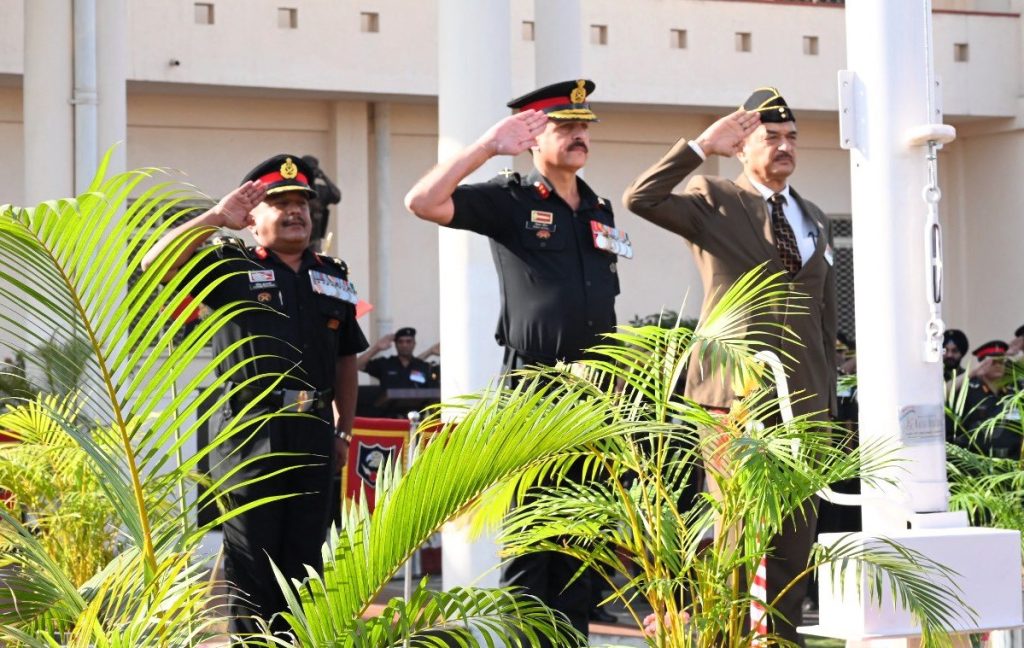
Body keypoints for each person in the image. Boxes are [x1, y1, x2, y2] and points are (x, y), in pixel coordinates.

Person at [405, 79, 626, 643]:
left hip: (595, 395)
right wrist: (485, 147)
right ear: (532, 138)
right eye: (564, 127)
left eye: (584, 127)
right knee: (532, 545)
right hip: (534, 389)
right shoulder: (512, 199)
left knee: (582, 544)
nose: (579, 135)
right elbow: (423, 202)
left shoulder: (598, 207)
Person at [623, 87, 836, 646]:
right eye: (772, 137)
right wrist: (700, 147)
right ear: (744, 147)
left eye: (792, 138)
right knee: (738, 529)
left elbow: (824, 315)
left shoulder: (813, 216)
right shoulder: (714, 197)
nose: (785, 147)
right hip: (735, 396)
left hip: (805, 400)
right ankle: (728, 637)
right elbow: (641, 198)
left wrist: (829, 403)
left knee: (794, 535)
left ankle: (781, 639)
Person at [141, 154, 367, 641]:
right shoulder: (229, 265)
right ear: (253, 218)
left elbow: (346, 358)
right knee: (253, 573)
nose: (294, 212)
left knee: (306, 572)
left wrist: (343, 430)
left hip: (312, 435)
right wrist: (216, 218)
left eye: (301, 203)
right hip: (250, 435)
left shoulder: (332, 274)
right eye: (278, 202)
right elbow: (154, 262)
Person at [949, 340, 1019, 456]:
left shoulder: (1013, 392)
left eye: (1001, 362)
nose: (998, 365)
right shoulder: (968, 390)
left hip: (1009, 464)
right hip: (977, 463)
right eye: (993, 362)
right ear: (982, 364)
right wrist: (974, 371)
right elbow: (942, 393)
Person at [358, 327, 439, 393]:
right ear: (396, 344)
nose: (404, 345)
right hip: (389, 410)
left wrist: (430, 351)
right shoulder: (386, 364)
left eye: (408, 341)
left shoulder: (423, 366)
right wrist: (377, 348)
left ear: (414, 343)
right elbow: (357, 365)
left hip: (416, 410)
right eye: (400, 342)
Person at [300, 154, 342, 252]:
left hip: (315, 241)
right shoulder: (297, 191)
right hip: (298, 239)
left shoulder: (321, 191)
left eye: (314, 169)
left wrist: (324, 177)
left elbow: (337, 197)